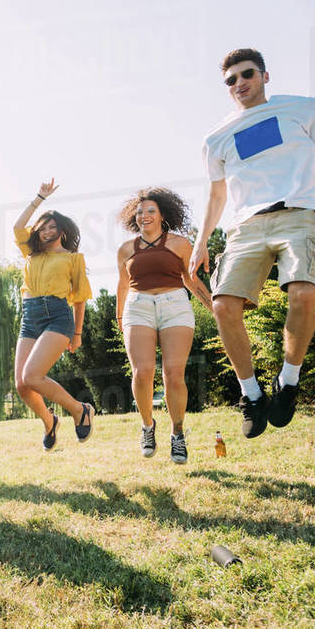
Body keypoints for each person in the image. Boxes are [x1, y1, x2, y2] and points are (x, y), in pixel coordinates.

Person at [192, 47, 315, 437]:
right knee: (224, 305)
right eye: (231, 80)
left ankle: (288, 382)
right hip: (246, 226)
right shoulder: (216, 138)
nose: (239, 83)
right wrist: (201, 241)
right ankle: (251, 394)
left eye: (247, 75)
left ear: (264, 76)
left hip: (299, 215)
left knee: (304, 294)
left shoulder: (303, 109)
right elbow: (216, 196)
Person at [115, 188, 214, 464]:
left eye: (150, 211)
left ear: (162, 216)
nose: (144, 216)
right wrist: (120, 318)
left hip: (174, 305)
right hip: (138, 307)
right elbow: (122, 286)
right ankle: (148, 426)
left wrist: (214, 307)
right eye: (139, 212)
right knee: (142, 372)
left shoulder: (180, 244)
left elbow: (192, 281)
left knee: (173, 373)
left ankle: (178, 433)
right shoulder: (125, 250)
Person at [12, 179, 95, 450]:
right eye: (43, 227)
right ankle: (50, 422)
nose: (47, 231)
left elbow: (80, 298)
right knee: (22, 385)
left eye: (52, 226)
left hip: (58, 316)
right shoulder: (31, 252)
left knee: (33, 376)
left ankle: (80, 409)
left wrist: (78, 333)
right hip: (30, 316)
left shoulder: (73, 258)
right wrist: (39, 198)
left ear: (61, 230)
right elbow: (17, 227)